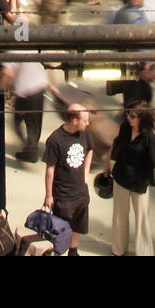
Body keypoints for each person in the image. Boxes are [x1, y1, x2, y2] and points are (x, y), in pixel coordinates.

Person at [107, 100, 155, 256]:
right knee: (120, 216)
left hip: (139, 183)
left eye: (133, 116)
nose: (129, 118)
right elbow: (116, 144)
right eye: (129, 114)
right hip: (121, 177)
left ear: (143, 119)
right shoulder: (125, 128)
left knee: (142, 220)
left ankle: (144, 252)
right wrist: (108, 164)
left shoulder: (149, 138)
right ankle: (118, 250)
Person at [43, 105, 94, 256]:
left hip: (80, 193)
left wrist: (86, 172)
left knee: (78, 225)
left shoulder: (84, 134)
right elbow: (50, 169)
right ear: (74, 121)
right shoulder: (55, 140)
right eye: (85, 120)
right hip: (63, 195)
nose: (88, 124)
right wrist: (48, 195)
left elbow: (90, 149)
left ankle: (73, 251)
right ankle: (58, 251)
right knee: (61, 229)